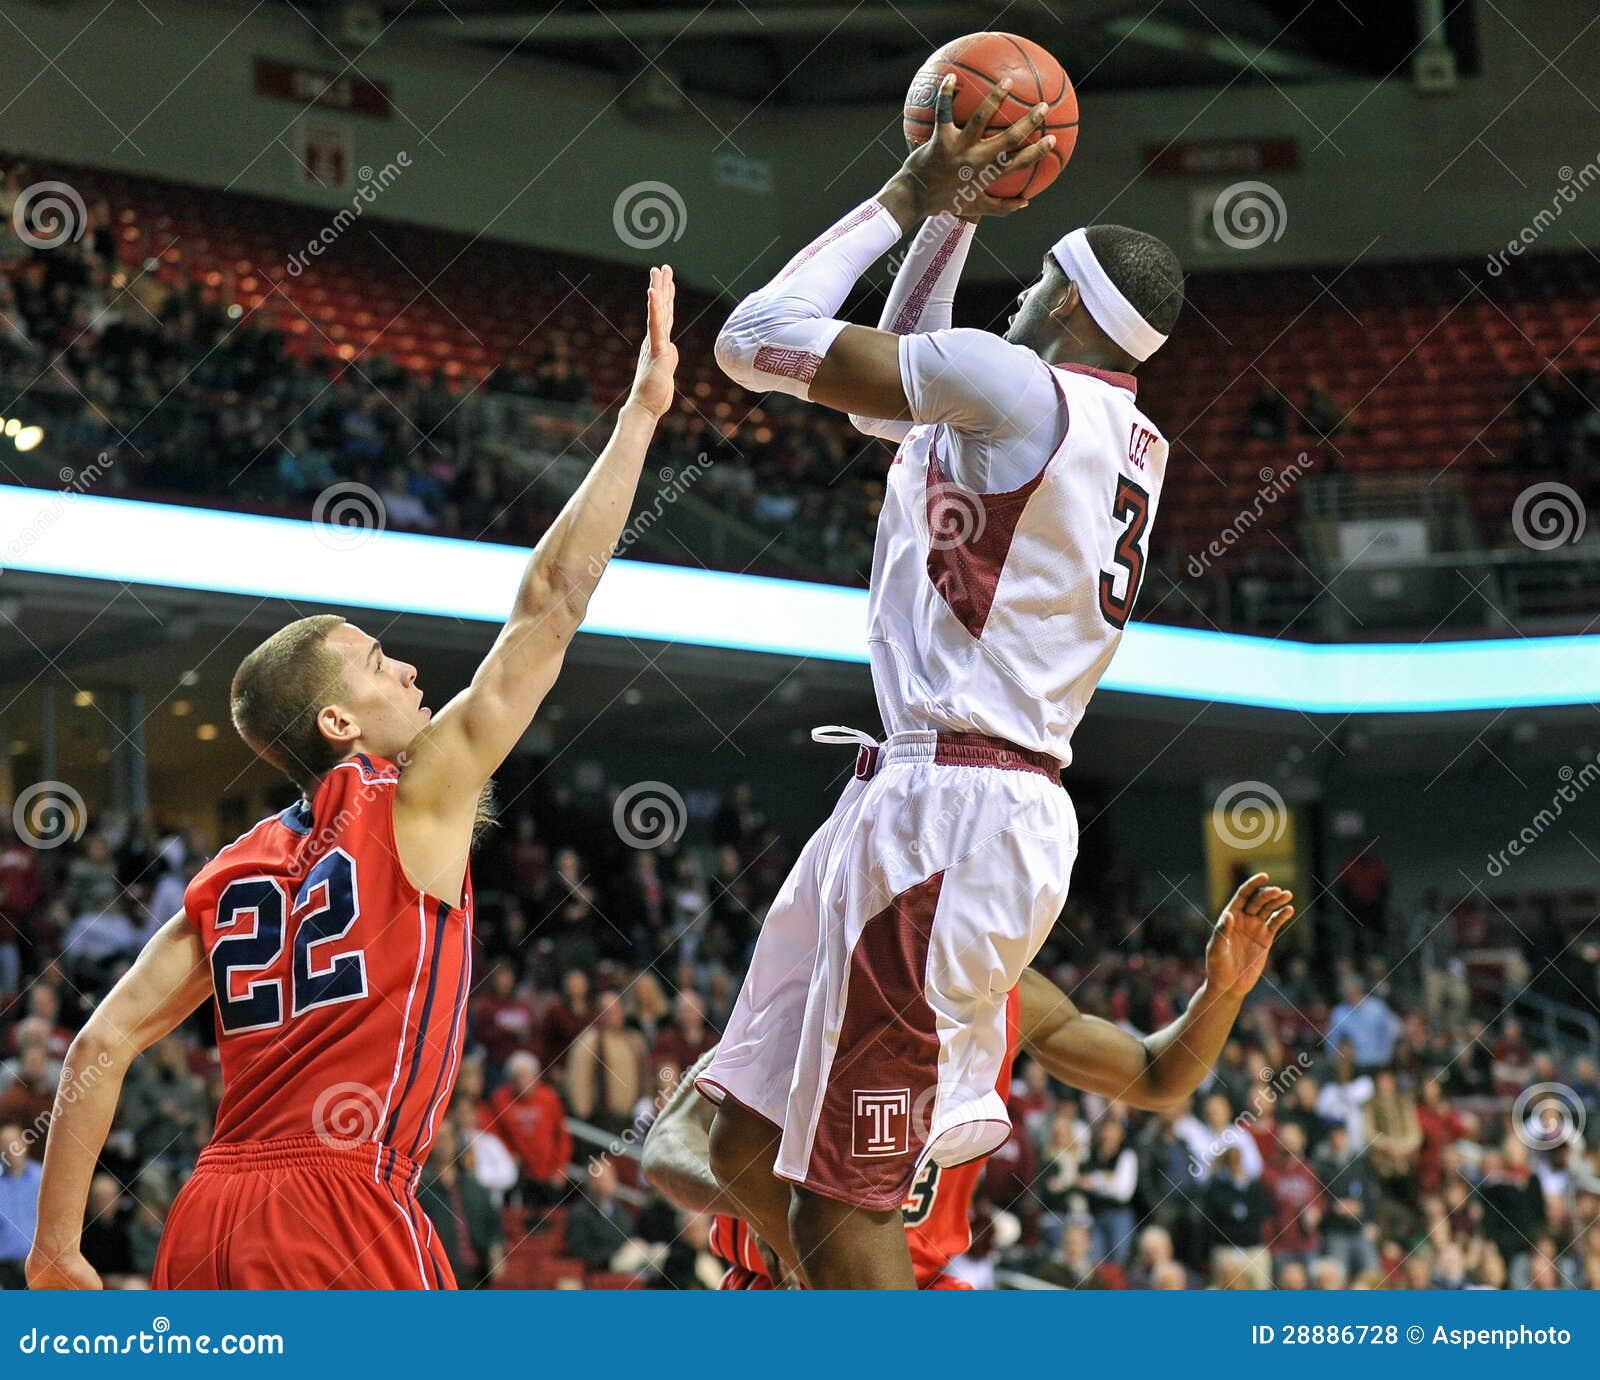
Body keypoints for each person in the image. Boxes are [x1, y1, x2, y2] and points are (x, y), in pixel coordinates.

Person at [25, 267, 680, 1291]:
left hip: (206, 1217)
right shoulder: (413, 792)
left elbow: (100, 1044)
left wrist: (57, 1248)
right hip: (342, 1203)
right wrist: (639, 418)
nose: (412, 670)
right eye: (379, 664)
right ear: (338, 722)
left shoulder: (226, 871)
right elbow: (550, 605)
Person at [702, 75, 1186, 1289]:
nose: (1012, 293)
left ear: (1069, 299)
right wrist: (958, 214)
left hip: (960, 813)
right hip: (915, 793)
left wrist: (901, 199)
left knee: (857, 1192)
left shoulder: (1015, 386)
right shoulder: (1090, 419)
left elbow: (752, 341)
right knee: (741, 1146)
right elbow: (906, 399)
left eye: (1034, 281)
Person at [646, 877, 1290, 1288]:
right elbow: (666, 1149)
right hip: (782, 1282)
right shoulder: (818, 990)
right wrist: (778, 1226)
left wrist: (1221, 993)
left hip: (922, 1285)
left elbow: (1155, 1076)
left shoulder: (1014, 998)